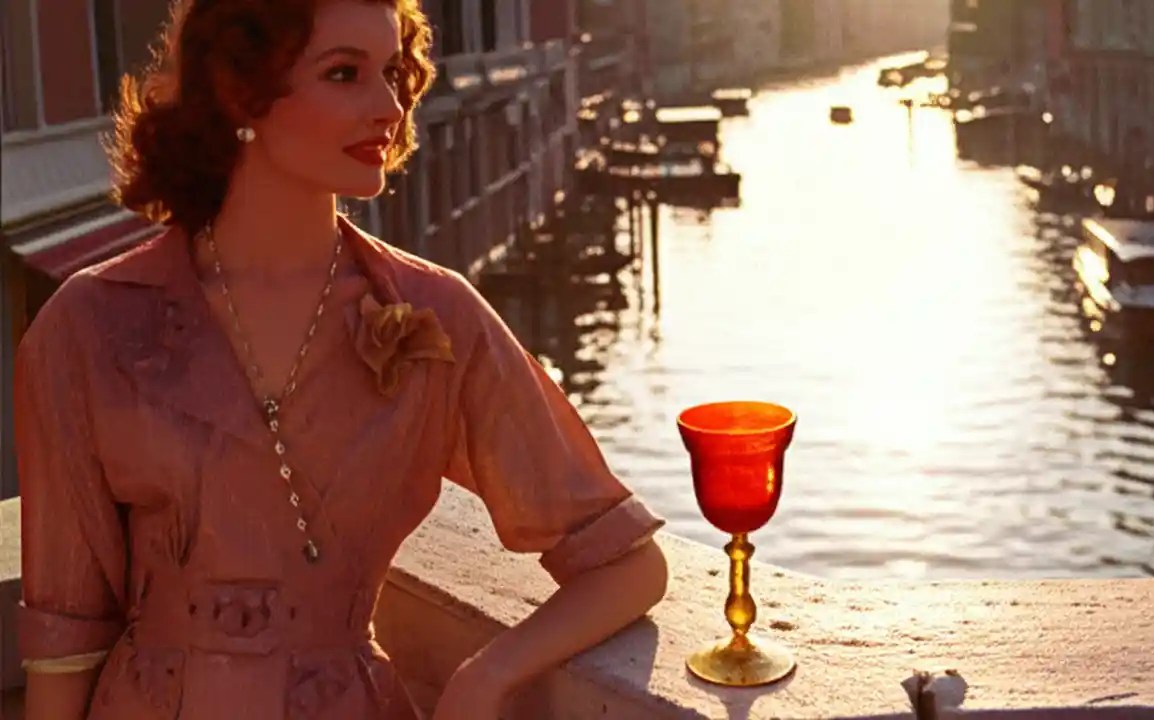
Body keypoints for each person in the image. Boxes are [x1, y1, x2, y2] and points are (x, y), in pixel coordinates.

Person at [14, 1, 669, 718]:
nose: (388, 105)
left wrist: (488, 676)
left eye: (391, 73)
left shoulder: (434, 315)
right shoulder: (89, 324)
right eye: (345, 73)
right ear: (241, 91)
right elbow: (65, 634)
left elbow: (626, 564)